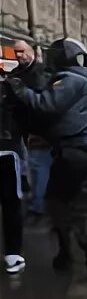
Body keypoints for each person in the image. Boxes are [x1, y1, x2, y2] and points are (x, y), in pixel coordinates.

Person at [4, 38, 87, 281]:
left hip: (72, 153)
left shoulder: (70, 81)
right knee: (83, 209)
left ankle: (65, 253)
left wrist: (20, 89)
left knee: (56, 203)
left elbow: (46, 104)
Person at [10, 41, 52, 217]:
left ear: (31, 51)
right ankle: (37, 199)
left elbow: (43, 100)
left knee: (39, 166)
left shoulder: (41, 72)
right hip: (20, 129)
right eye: (16, 52)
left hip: (39, 129)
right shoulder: (16, 73)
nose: (19, 55)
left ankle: (39, 204)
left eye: (21, 51)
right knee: (30, 165)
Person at [0, 67, 26, 274]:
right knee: (11, 204)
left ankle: (13, 255)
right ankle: (12, 255)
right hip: (7, 151)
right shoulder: (10, 91)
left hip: (8, 150)